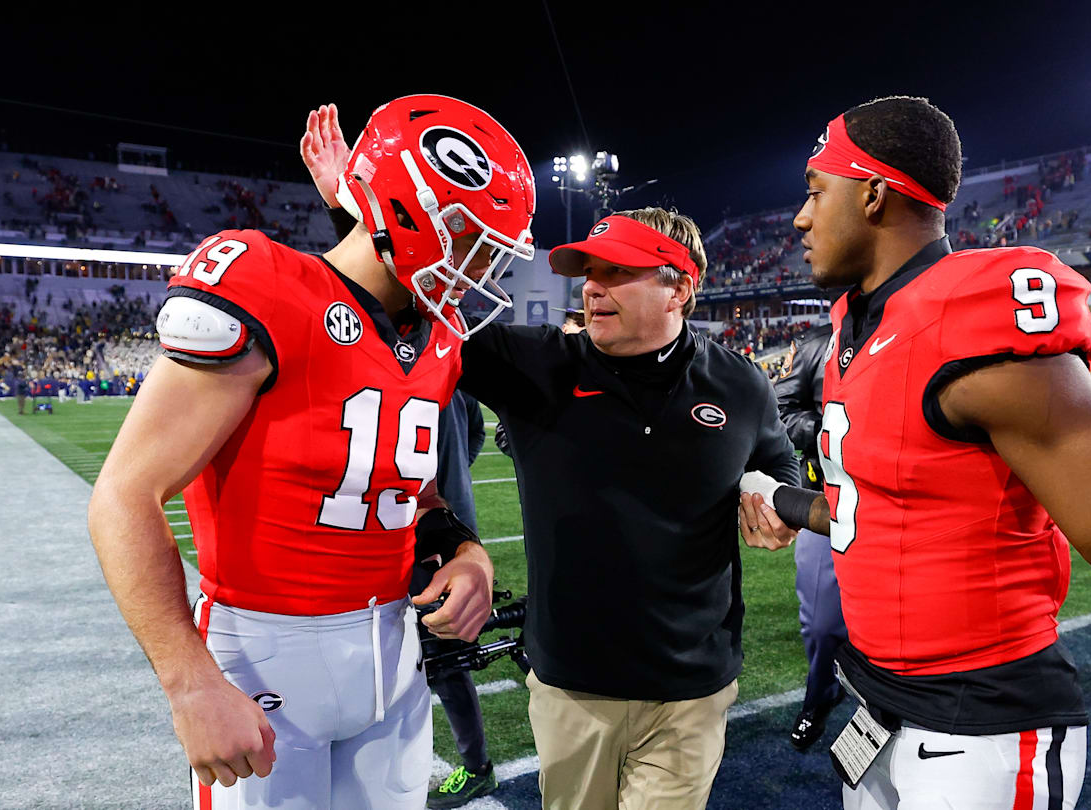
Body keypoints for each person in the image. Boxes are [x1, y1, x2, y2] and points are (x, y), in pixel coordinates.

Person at [305, 105, 800, 810]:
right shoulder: (536, 364)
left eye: (618, 273)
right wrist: (355, 211)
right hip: (572, 688)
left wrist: (773, 502)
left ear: (680, 287)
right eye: (587, 270)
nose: (591, 286)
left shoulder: (740, 383)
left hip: (693, 690)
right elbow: (410, 302)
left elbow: (779, 466)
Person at [741, 96, 1091, 810]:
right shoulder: (860, 325)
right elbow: (886, 504)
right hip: (880, 711)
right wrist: (779, 497)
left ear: (873, 194)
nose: (799, 218)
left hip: (982, 728)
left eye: (814, 192)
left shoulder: (969, 321)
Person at [87, 95, 535, 810]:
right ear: (412, 216)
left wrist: (466, 549)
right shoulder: (264, 282)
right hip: (266, 654)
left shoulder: (438, 337)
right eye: (473, 238)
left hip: (394, 653)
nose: (486, 264)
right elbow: (123, 494)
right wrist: (189, 681)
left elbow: (403, 488)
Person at [773, 320, 849, 750]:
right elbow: (781, 411)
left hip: (910, 503)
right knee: (821, 623)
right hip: (829, 500)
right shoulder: (820, 341)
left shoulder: (924, 328)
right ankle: (821, 693)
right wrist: (832, 430)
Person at [424, 389, 498, 809]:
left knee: (445, 659)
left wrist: (446, 486)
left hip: (435, 535)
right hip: (446, 523)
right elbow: (475, 433)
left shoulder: (434, 366)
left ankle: (476, 768)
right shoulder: (448, 370)